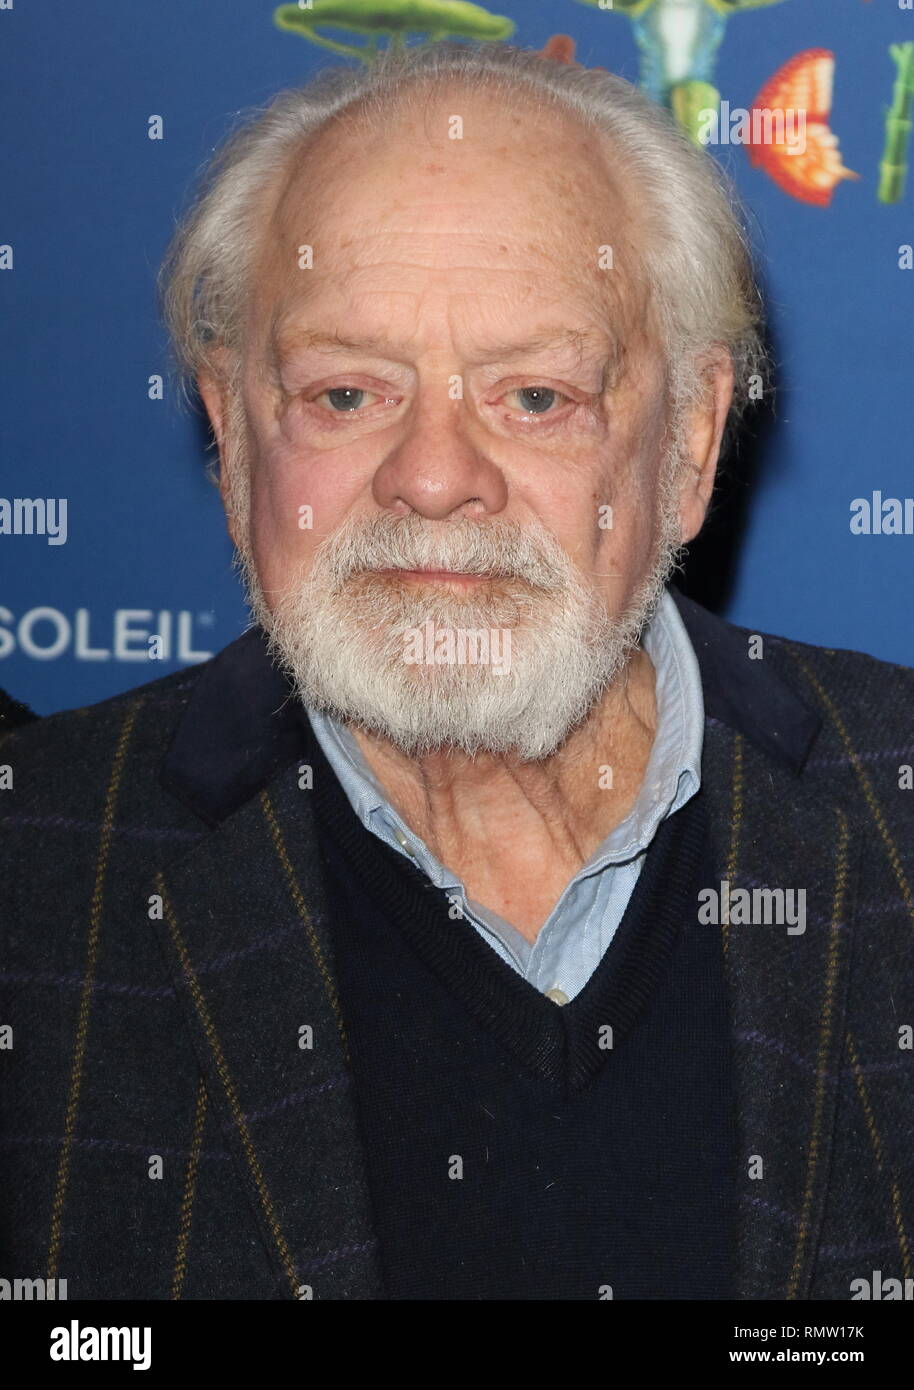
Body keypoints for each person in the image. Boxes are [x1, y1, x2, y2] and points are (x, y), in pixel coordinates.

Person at [2, 42, 912, 1302]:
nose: (431, 476)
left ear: (689, 445)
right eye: (344, 392)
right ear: (229, 435)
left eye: (533, 395)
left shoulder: (895, 812)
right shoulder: (35, 865)